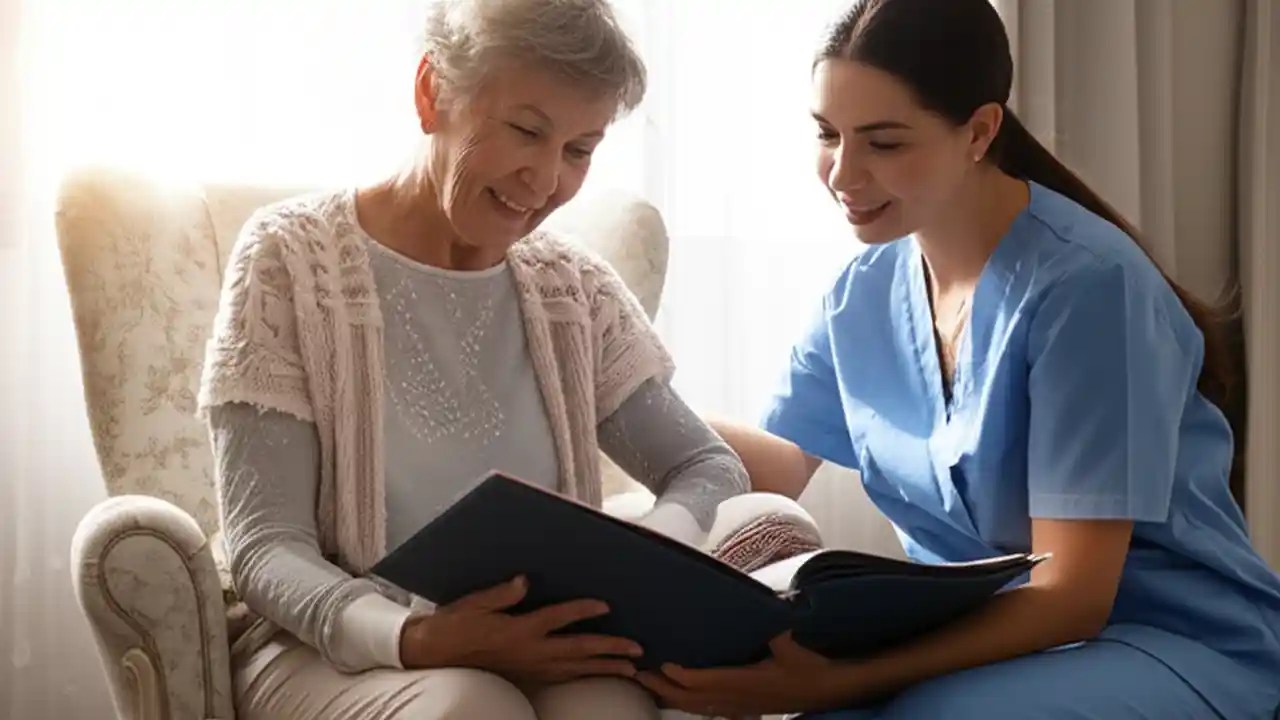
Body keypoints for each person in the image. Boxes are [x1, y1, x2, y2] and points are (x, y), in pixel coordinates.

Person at [636, 1, 1280, 718]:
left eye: (883, 142)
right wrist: (611, 404)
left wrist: (843, 680)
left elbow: (1072, 597)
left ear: (978, 131)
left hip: (1164, 639)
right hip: (986, 643)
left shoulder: (1087, 287)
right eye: (828, 134)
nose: (842, 174)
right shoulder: (864, 295)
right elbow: (779, 462)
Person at [197, 1, 750, 717]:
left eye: (579, 150)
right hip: (322, 646)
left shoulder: (571, 289)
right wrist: (420, 637)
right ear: (433, 93)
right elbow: (266, 548)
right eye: (526, 131)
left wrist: (637, 560)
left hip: (535, 644)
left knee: (611, 707)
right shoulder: (290, 260)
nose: (546, 180)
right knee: (470, 704)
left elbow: (708, 469)